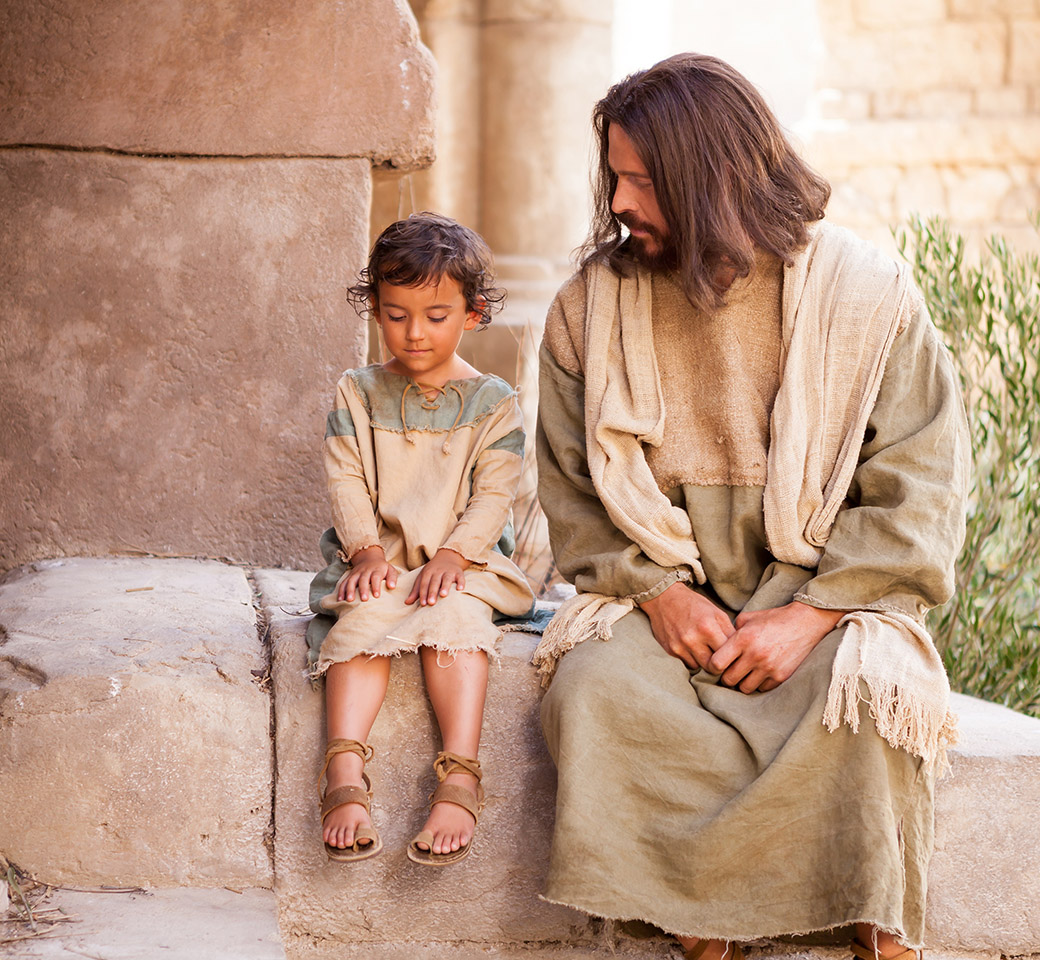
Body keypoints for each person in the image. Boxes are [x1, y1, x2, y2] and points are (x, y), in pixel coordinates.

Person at [530, 54, 969, 960]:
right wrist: (654, 591)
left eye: (642, 181)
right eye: (614, 175)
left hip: (824, 590)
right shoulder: (588, 309)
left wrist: (808, 617)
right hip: (668, 592)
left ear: (713, 178)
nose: (618, 200)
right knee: (596, 693)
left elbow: (919, 487)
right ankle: (704, 927)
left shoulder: (869, 297)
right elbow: (573, 490)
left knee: (863, 703)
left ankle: (874, 924)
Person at [307, 212, 535, 865]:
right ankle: (344, 772)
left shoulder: (492, 401)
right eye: (396, 314)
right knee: (364, 613)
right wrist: (366, 553)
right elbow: (347, 478)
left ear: (473, 313)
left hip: (463, 563)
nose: (414, 333)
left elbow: (495, 493)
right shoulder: (358, 392)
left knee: (456, 617)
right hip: (379, 558)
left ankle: (460, 772)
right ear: (374, 308)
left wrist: (455, 555)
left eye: (436, 316)